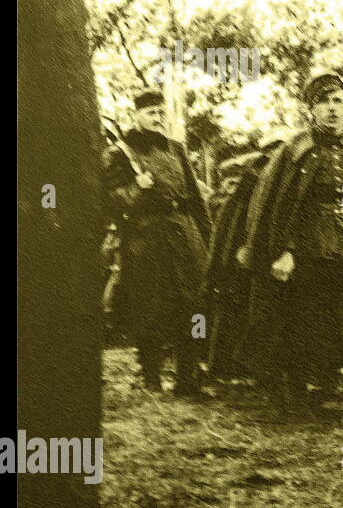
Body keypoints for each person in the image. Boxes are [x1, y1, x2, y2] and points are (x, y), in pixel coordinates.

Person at [241, 73, 343, 421]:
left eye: (339, 101)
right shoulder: (293, 152)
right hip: (308, 250)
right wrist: (282, 250)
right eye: (324, 102)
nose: (332, 109)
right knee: (306, 320)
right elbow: (276, 206)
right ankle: (308, 391)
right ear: (311, 109)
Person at [102, 90, 211, 396]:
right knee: (152, 307)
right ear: (136, 115)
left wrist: (206, 238)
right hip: (147, 239)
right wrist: (136, 188)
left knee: (193, 304)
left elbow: (195, 196)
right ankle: (151, 379)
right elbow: (109, 200)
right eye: (151, 112)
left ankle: (188, 379)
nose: (157, 117)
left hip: (184, 232)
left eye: (161, 112)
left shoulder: (176, 149)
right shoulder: (120, 153)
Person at [205, 130, 287, 384]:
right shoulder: (255, 175)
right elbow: (242, 218)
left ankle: (257, 365)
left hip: (262, 250)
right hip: (240, 250)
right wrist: (243, 247)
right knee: (233, 303)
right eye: (276, 149)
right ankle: (225, 364)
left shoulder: (280, 173)